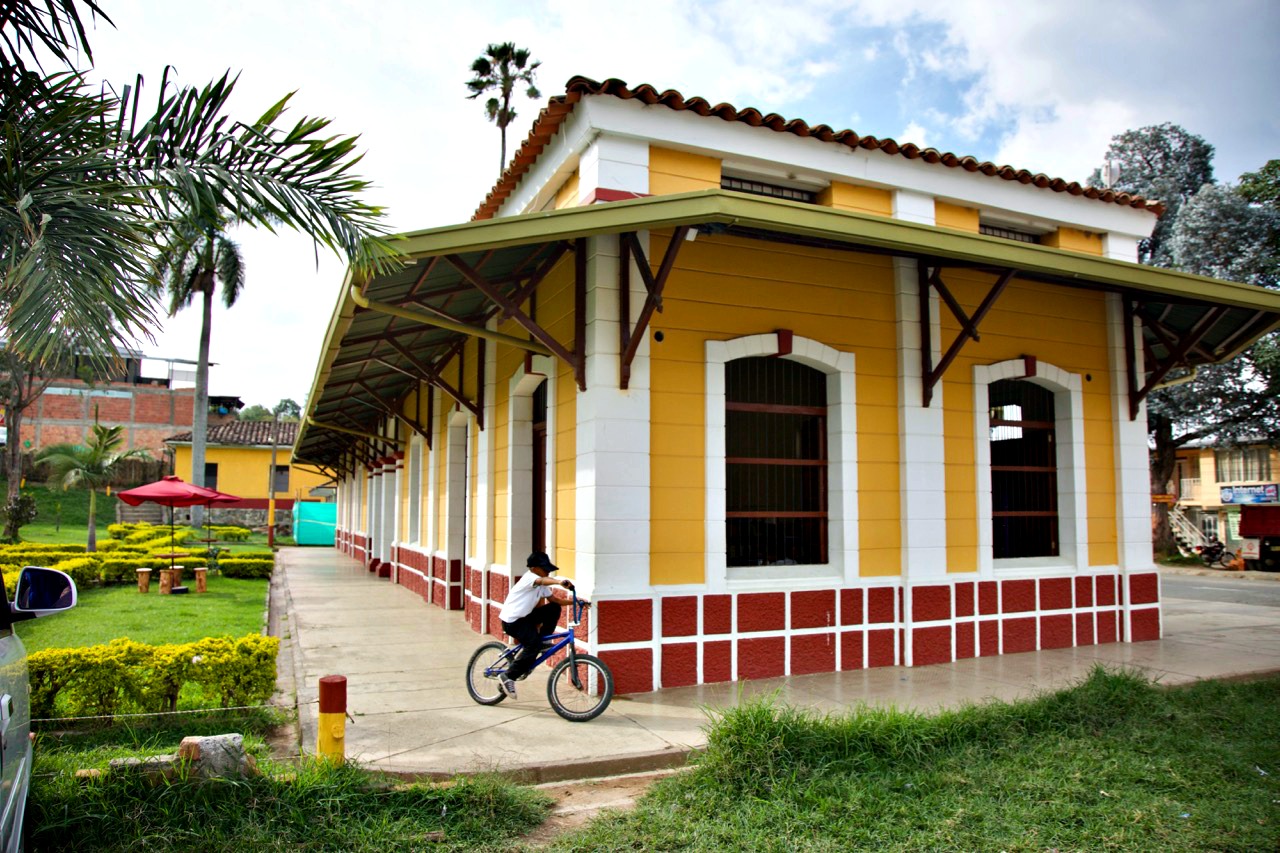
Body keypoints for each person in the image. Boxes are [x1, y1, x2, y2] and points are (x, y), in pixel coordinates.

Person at [497, 551, 576, 698]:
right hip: (512, 621)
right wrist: (559, 582)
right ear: (533, 568)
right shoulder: (530, 578)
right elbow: (542, 581)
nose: (547, 571)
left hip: (525, 618)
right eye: (544, 568)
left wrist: (577, 602)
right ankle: (508, 676)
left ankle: (544, 639)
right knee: (532, 645)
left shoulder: (540, 583)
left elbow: (556, 601)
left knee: (553, 608)